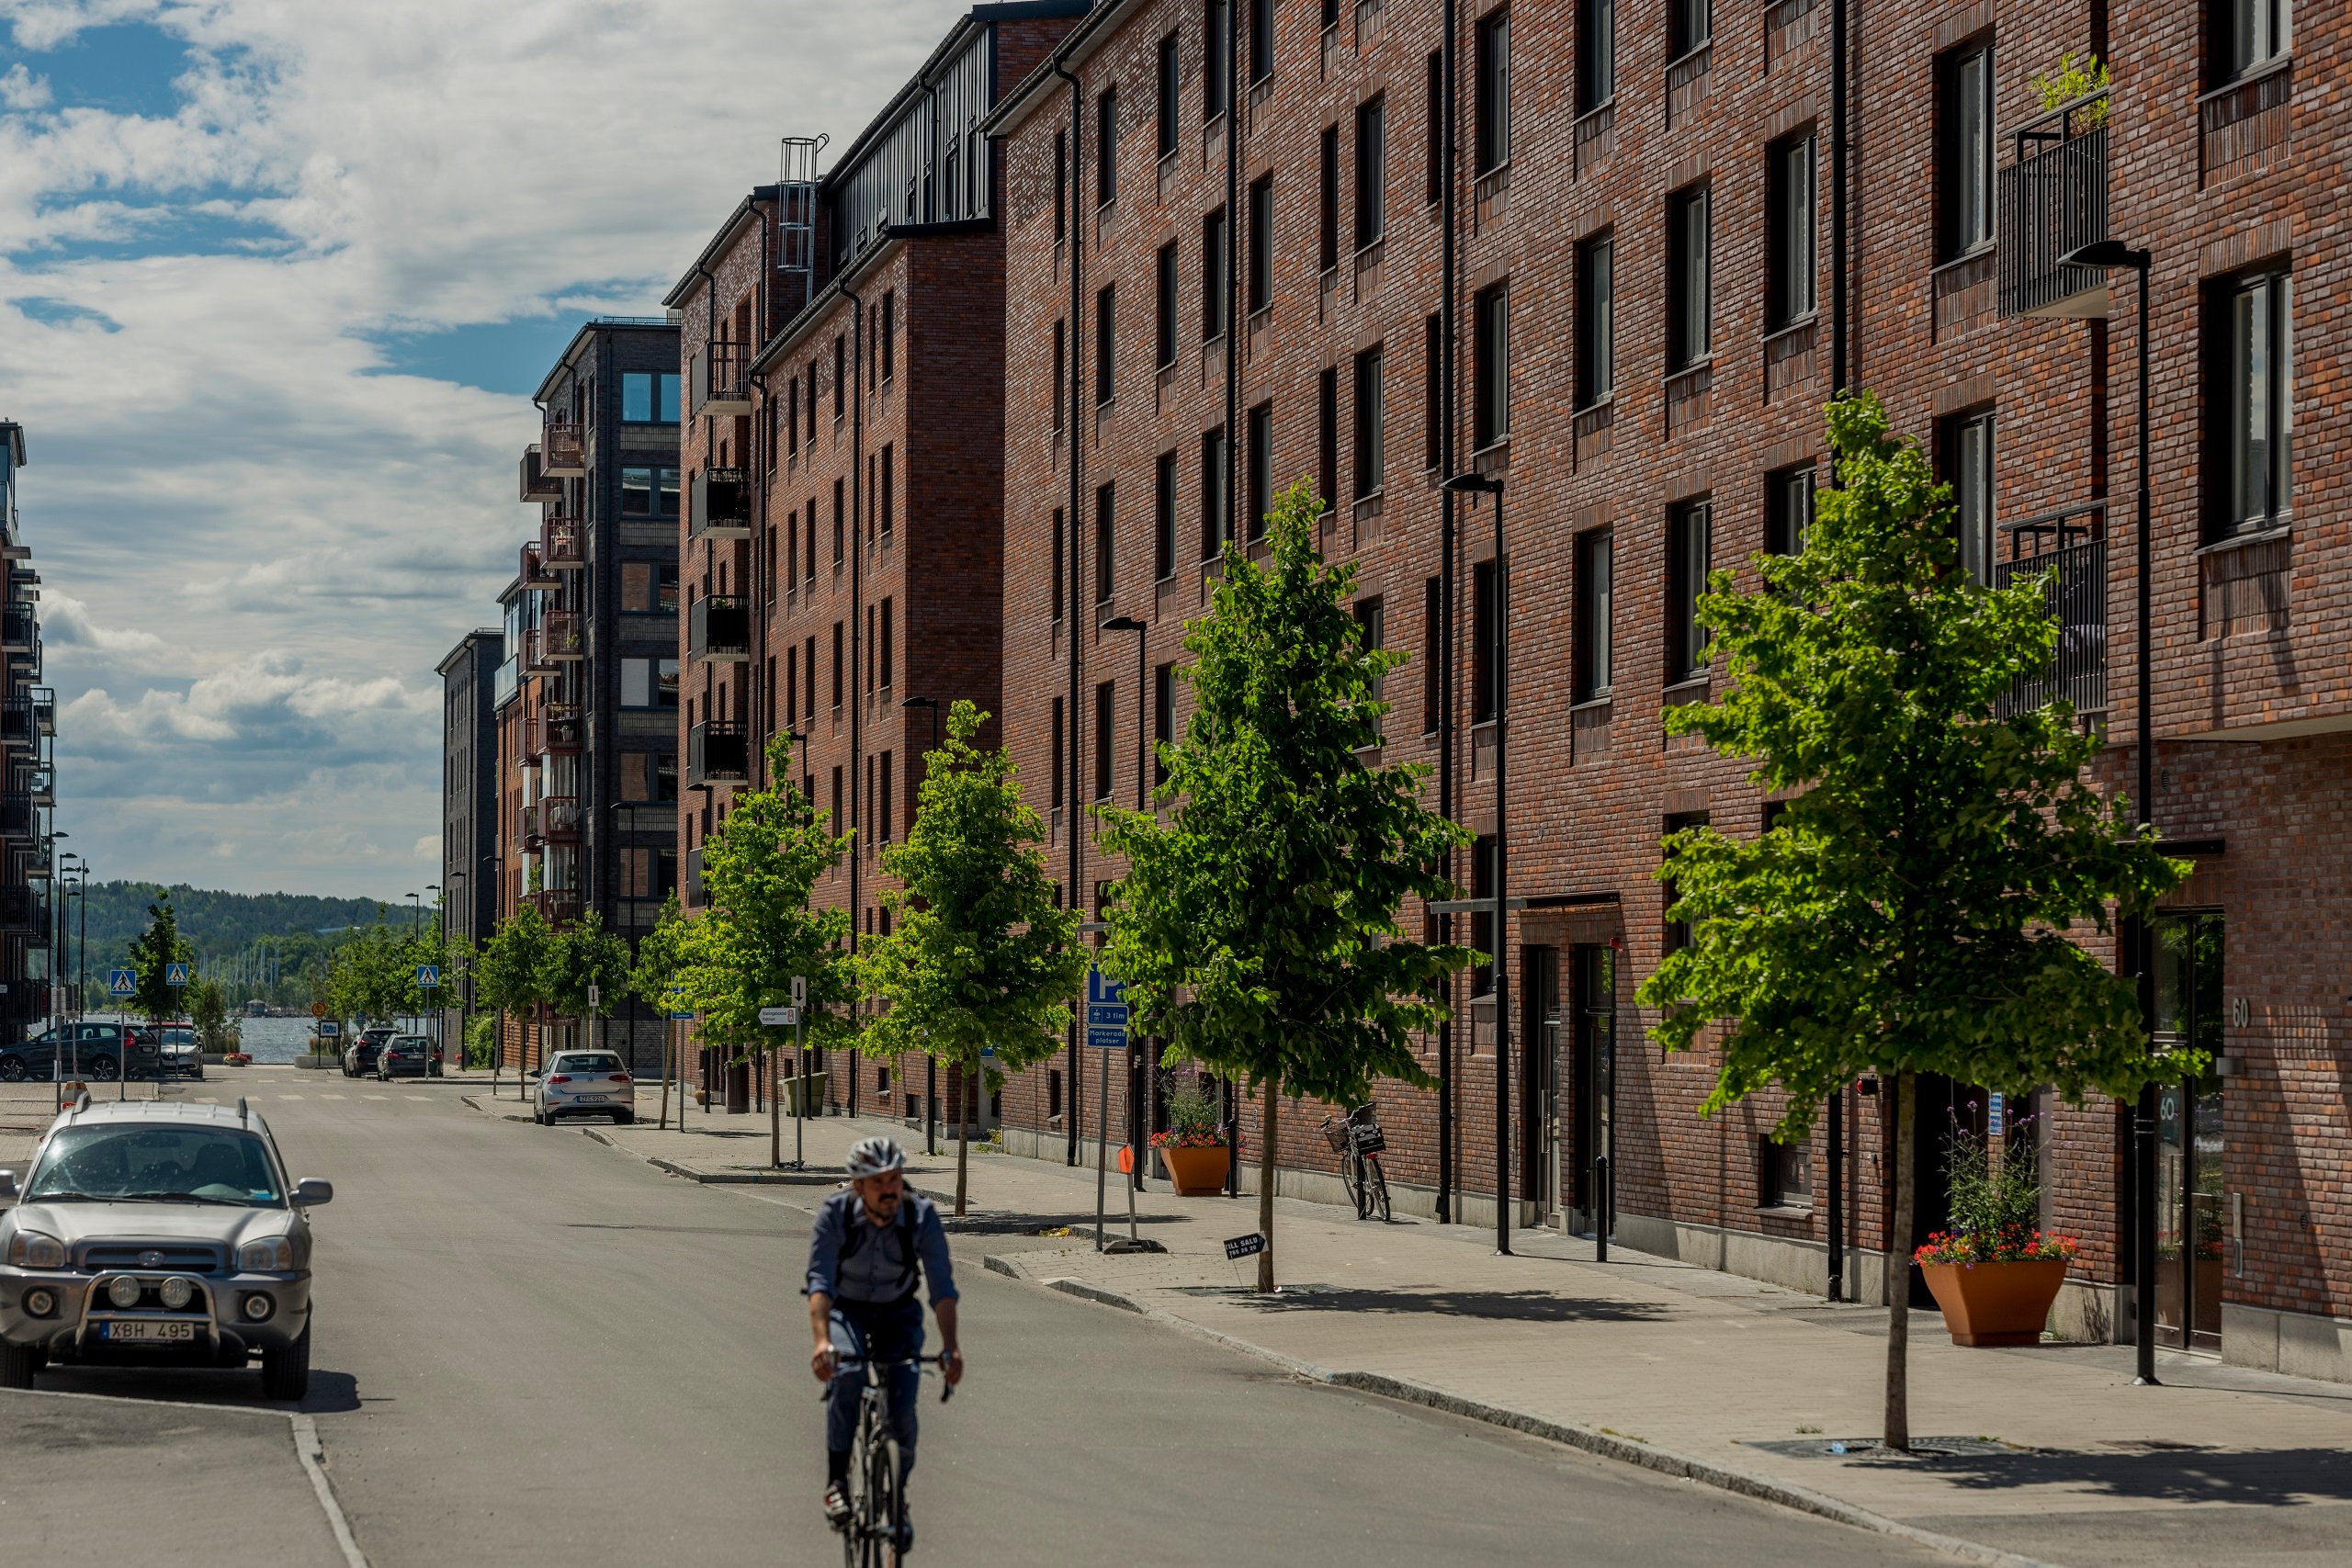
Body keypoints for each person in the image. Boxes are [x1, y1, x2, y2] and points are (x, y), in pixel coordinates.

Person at [807, 1135, 962, 1549]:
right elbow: (820, 1284)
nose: (891, 1188)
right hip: (847, 1311)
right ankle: (837, 1482)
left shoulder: (919, 1215)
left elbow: (943, 1288)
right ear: (858, 1186)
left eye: (895, 1178)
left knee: (904, 1405)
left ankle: (897, 1498)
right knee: (849, 1373)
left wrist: (951, 1346)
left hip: (898, 1312)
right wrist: (822, 1343)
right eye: (879, 1181)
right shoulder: (835, 1215)